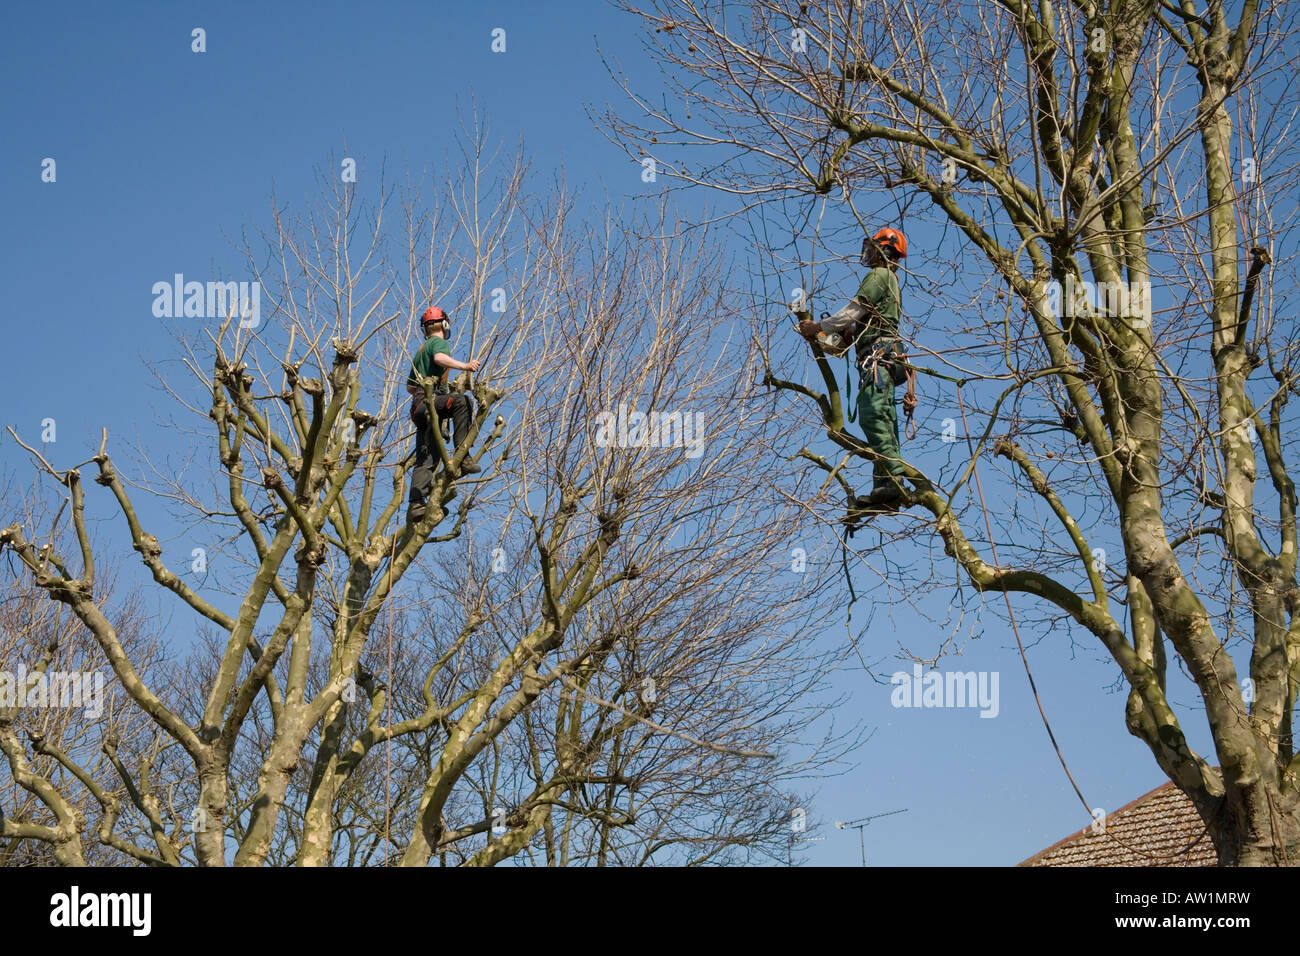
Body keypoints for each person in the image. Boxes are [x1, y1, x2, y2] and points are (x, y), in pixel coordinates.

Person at [799, 227, 910, 513]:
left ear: (886, 250)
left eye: (873, 248)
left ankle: (893, 478)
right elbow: (850, 333)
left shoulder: (880, 276)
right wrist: (822, 339)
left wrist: (817, 326)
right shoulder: (889, 284)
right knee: (883, 423)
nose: (868, 254)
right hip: (875, 360)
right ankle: (886, 488)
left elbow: (852, 312)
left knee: (873, 416)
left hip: (878, 360)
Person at [406, 306, 481, 522]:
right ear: (445, 324)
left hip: (418, 407)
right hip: (428, 401)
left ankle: (416, 505)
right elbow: (439, 358)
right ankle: (463, 456)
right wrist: (465, 366)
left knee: (427, 457)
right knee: (463, 403)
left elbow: (411, 387)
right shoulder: (439, 343)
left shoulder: (421, 350)